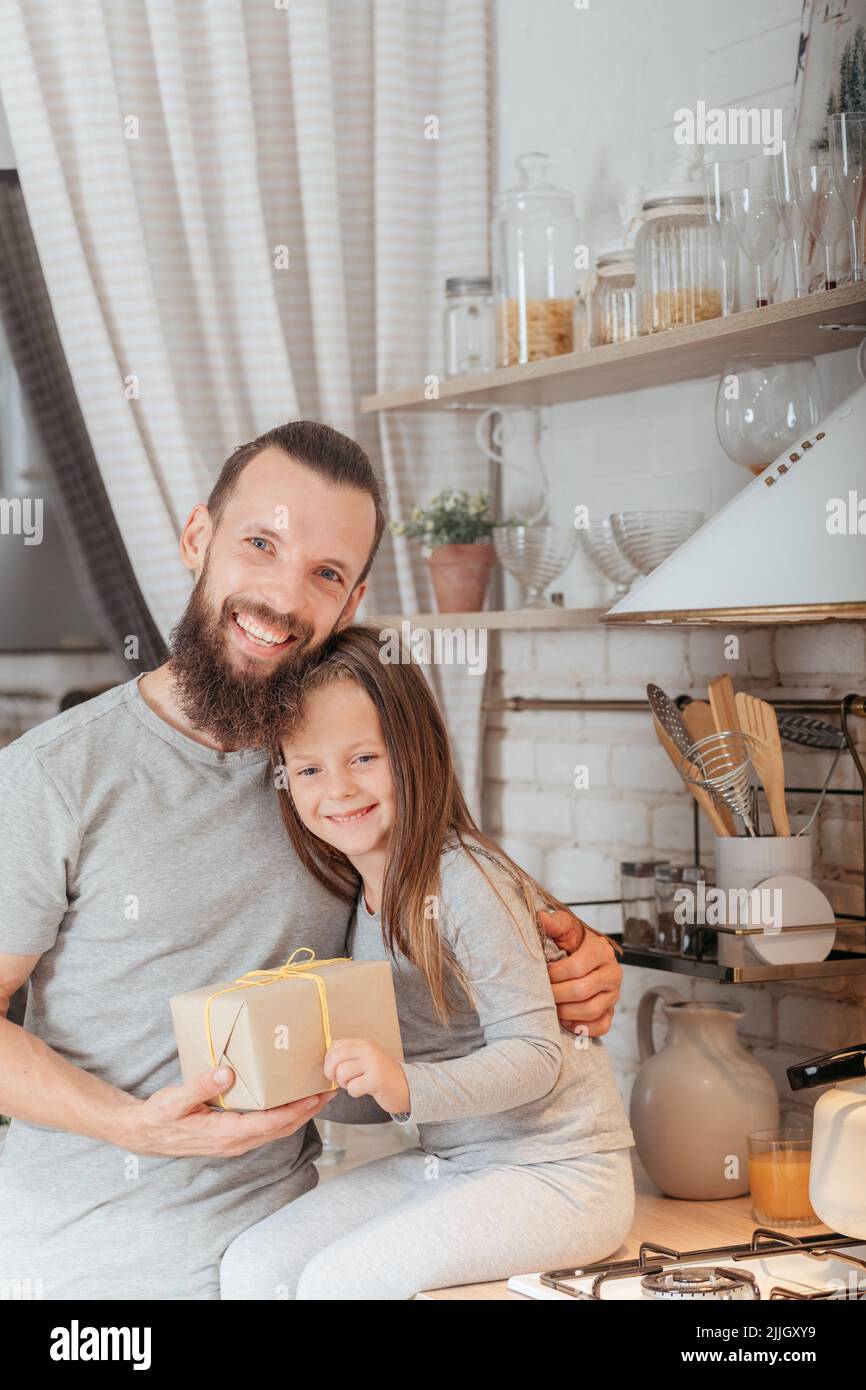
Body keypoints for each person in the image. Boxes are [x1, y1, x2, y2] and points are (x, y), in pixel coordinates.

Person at [0, 420, 624, 1300]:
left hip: (284, 1254)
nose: (283, 597)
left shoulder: (332, 769)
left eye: (325, 573)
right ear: (196, 538)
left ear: (351, 599)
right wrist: (140, 1128)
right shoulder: (50, 777)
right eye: (261, 543)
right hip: (82, 1278)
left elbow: (462, 902)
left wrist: (583, 958)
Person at [220, 626, 635, 1300]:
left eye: (363, 758)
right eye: (309, 769)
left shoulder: (466, 879)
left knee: (338, 1282)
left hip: (561, 1173)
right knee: (254, 1264)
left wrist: (403, 1084)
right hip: (451, 1161)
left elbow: (536, 1056)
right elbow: (385, 1100)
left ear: (414, 752)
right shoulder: (363, 898)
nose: (338, 789)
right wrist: (298, 1094)